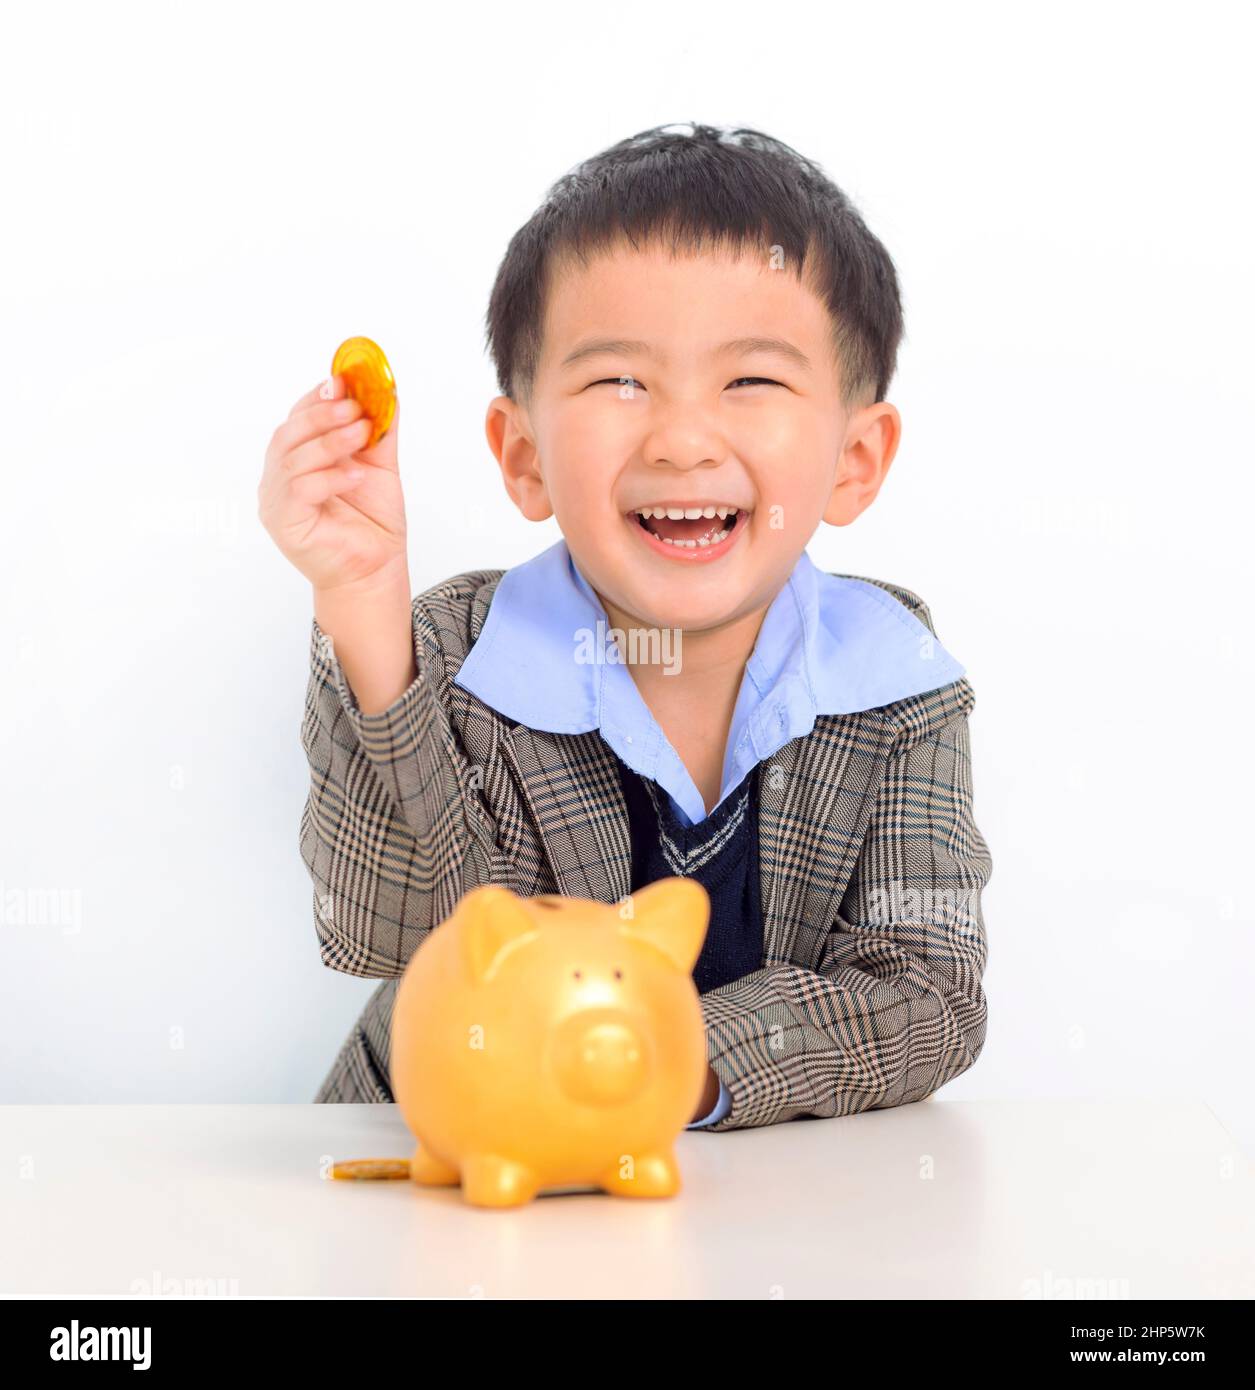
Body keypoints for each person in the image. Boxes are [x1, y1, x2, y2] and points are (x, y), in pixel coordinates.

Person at [258, 122, 992, 1132]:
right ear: (521, 456)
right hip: (453, 1177)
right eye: (618, 380)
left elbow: (925, 992)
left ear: (854, 461)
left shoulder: (896, 678)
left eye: (751, 379)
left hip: (745, 1212)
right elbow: (392, 934)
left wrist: (656, 1062)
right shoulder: (455, 658)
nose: (683, 439)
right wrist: (362, 610)